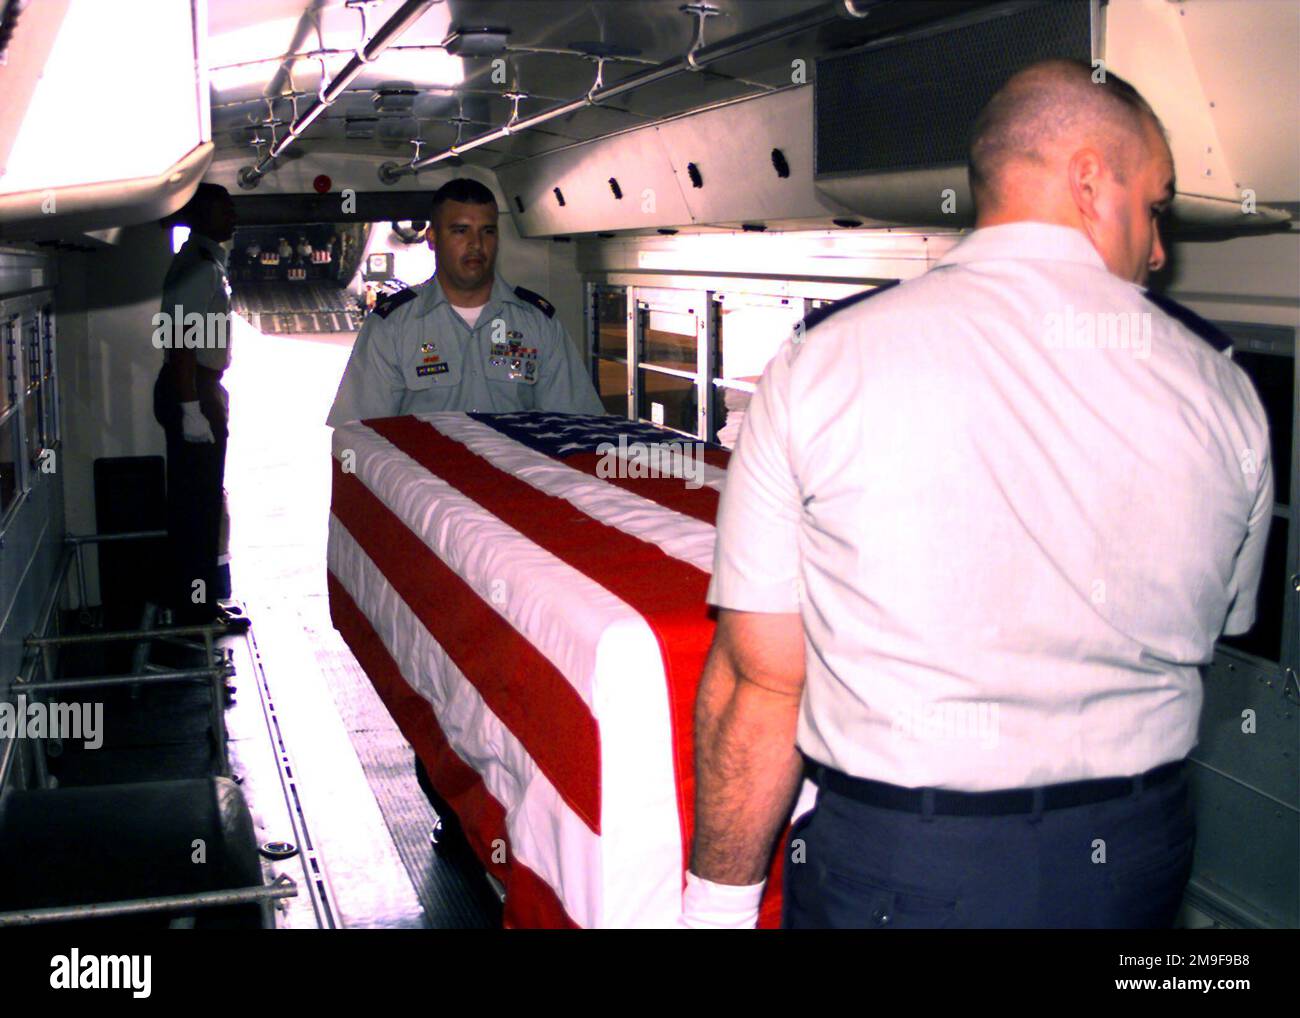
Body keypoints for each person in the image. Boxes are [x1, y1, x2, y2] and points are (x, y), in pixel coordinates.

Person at [684, 59, 1273, 929]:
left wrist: (713, 913)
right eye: (1155, 208)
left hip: (903, 867)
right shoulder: (1225, 393)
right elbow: (1218, 630)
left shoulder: (823, 364)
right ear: (1087, 180)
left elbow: (759, 686)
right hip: (1132, 864)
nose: (1157, 249)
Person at [326, 177, 604, 426]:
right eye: (460, 230)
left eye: (487, 231)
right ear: (432, 238)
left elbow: (575, 423)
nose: (476, 244)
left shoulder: (537, 322)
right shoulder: (392, 326)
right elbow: (360, 434)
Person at [152, 183, 249, 632]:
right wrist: (192, 409)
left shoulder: (206, 262)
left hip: (198, 388)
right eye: (222, 208)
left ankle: (200, 604)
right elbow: (181, 342)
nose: (232, 215)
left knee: (200, 503)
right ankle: (195, 612)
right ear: (200, 215)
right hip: (191, 389)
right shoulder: (199, 269)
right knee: (197, 508)